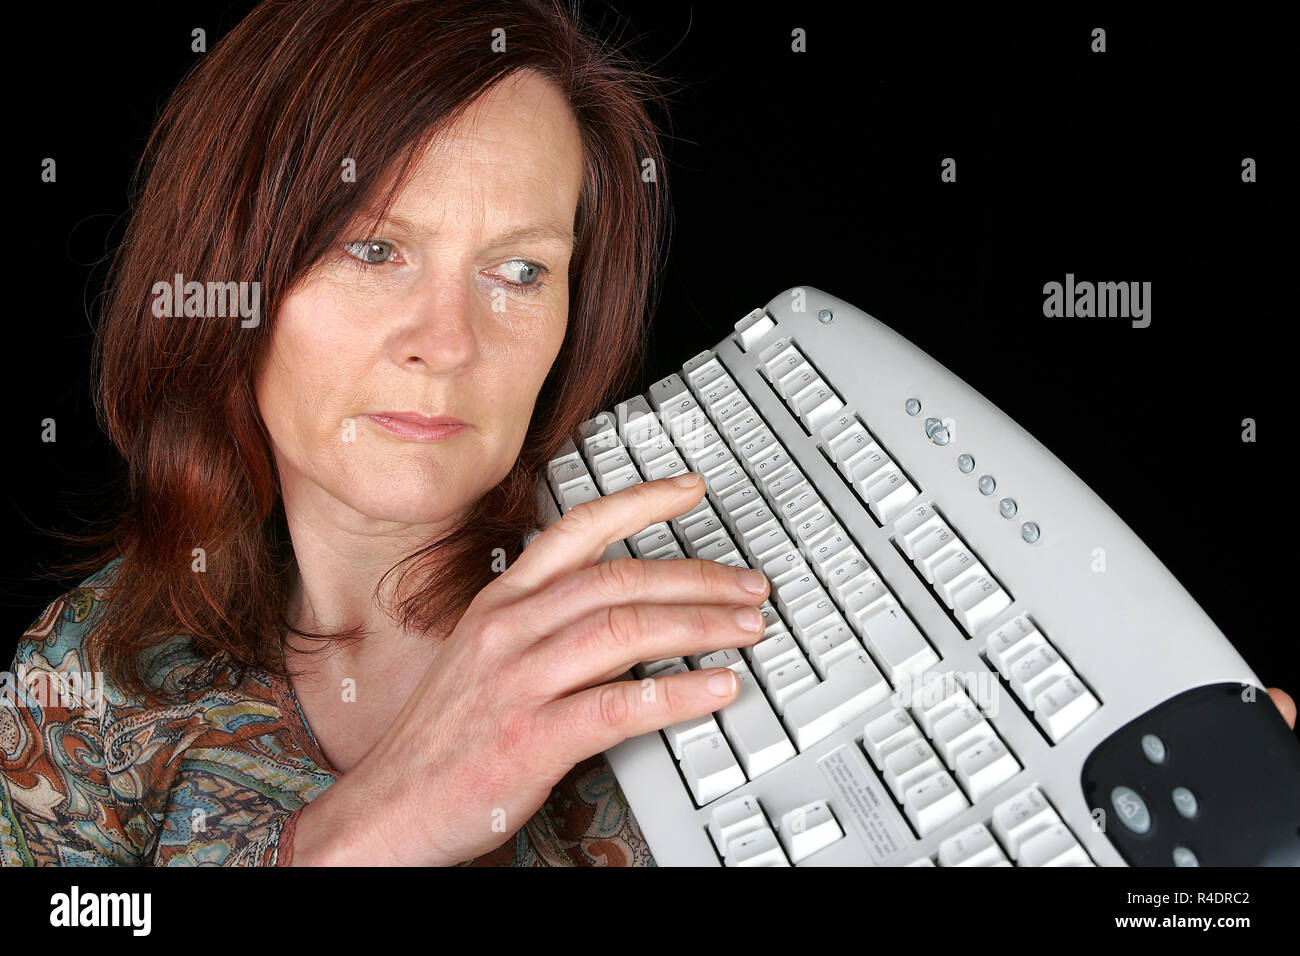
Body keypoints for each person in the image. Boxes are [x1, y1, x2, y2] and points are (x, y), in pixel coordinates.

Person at [2, 0, 1294, 867]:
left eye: (518, 272)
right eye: (375, 248)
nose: (447, 343)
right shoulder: (91, 685)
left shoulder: (705, 590)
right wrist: (357, 839)